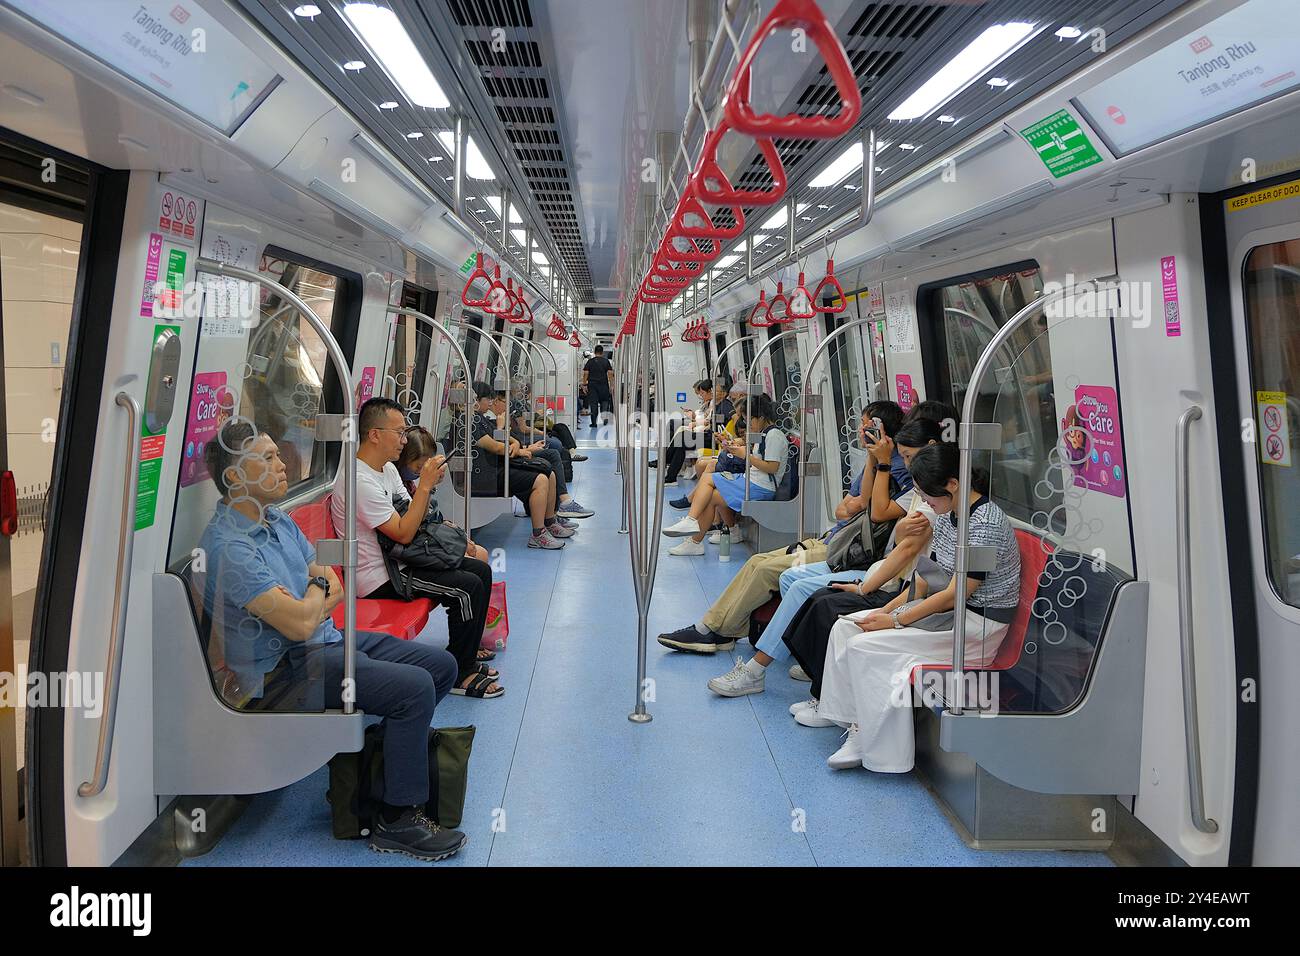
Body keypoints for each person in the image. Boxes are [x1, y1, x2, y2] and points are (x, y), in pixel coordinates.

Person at [200, 418, 466, 860]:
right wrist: (314, 597)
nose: (283, 464)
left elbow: (330, 579)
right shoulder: (231, 548)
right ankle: (397, 819)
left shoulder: (277, 519)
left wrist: (312, 596)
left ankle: (380, 766)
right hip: (282, 674)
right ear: (234, 477)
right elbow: (299, 624)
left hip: (325, 640)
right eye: (267, 458)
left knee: (441, 667)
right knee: (414, 689)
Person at [790, 443, 1021, 772]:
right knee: (846, 627)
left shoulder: (984, 526)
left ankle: (875, 746)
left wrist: (895, 620)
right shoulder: (950, 514)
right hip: (949, 615)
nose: (925, 503)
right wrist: (886, 612)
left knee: (864, 647)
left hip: (976, 628)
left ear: (953, 484)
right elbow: (926, 578)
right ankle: (841, 714)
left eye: (928, 495)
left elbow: (954, 593)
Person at [705, 417, 945, 697]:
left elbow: (880, 517)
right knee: (782, 573)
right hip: (852, 551)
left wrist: (883, 465)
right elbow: (851, 507)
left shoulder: (918, 488)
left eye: (907, 455)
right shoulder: (917, 487)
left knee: (791, 582)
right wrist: (872, 460)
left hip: (871, 566)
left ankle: (755, 668)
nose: (905, 462)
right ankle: (801, 653)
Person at [656, 401, 908, 653]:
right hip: (833, 537)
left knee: (766, 569)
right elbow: (842, 509)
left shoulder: (897, 470)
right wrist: (871, 464)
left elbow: (870, 509)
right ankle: (710, 627)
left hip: (846, 550)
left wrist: (876, 468)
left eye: (866, 426)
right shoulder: (872, 464)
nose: (860, 431)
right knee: (755, 561)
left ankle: (718, 631)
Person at [333, 397, 502, 699]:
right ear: (374, 434)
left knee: (480, 570)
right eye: (399, 432)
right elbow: (404, 532)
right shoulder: (357, 480)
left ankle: (463, 657)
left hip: (401, 559)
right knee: (466, 587)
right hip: (380, 577)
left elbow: (415, 514)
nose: (403, 439)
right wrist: (424, 485)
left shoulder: (385, 470)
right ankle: (460, 673)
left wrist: (453, 536)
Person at [662, 393, 785, 555]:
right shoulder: (764, 433)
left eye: (750, 419)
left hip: (761, 487)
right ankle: (694, 539)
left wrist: (745, 455)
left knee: (708, 478)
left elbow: (772, 467)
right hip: (752, 480)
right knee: (712, 496)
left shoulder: (774, 435)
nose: (747, 423)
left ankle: (691, 524)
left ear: (761, 417)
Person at [465, 381, 573, 550]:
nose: (490, 403)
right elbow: (495, 446)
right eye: (488, 399)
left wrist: (514, 445)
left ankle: (550, 521)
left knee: (549, 472)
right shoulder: (468, 423)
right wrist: (516, 447)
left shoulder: (480, 419)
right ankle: (538, 534)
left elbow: (508, 439)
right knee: (541, 479)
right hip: (487, 475)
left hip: (497, 465)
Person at [395, 425, 489, 565]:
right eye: (418, 467)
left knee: (480, 553)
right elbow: (414, 524)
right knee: (476, 561)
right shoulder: (397, 485)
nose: (420, 473)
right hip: (412, 547)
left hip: (422, 536)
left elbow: (423, 517)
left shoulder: (409, 484)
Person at [493, 389, 593, 518]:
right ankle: (559, 508)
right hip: (504, 462)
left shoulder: (503, 417)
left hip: (518, 449)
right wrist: (527, 448)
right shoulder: (494, 421)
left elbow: (512, 442)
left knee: (554, 452)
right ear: (495, 401)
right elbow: (504, 446)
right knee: (551, 455)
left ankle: (555, 512)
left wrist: (524, 446)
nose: (507, 404)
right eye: (504, 401)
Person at [651, 379, 715, 486]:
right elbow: (706, 419)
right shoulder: (711, 404)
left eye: (702, 393)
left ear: (711, 391)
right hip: (704, 431)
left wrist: (696, 421)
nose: (700, 395)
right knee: (681, 437)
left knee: (682, 437)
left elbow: (709, 422)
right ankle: (669, 471)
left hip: (710, 436)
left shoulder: (720, 406)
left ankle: (665, 464)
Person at [582, 345, 614, 428]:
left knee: (593, 404)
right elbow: (610, 374)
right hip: (604, 385)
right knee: (605, 402)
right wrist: (611, 385)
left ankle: (594, 423)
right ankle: (605, 419)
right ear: (602, 352)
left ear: (595, 352)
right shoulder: (606, 361)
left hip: (592, 386)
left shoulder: (590, 361)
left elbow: (586, 374)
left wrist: (584, 384)